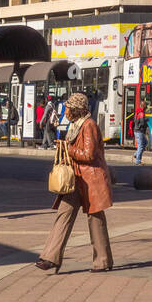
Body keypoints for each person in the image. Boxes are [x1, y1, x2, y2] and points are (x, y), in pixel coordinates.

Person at [35, 93, 113, 273]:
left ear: (77, 110)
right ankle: (50, 258)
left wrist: (68, 149)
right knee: (63, 215)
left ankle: (103, 261)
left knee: (96, 220)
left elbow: (89, 154)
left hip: (91, 180)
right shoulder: (75, 125)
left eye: (69, 108)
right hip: (75, 179)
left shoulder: (89, 125)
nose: (66, 111)